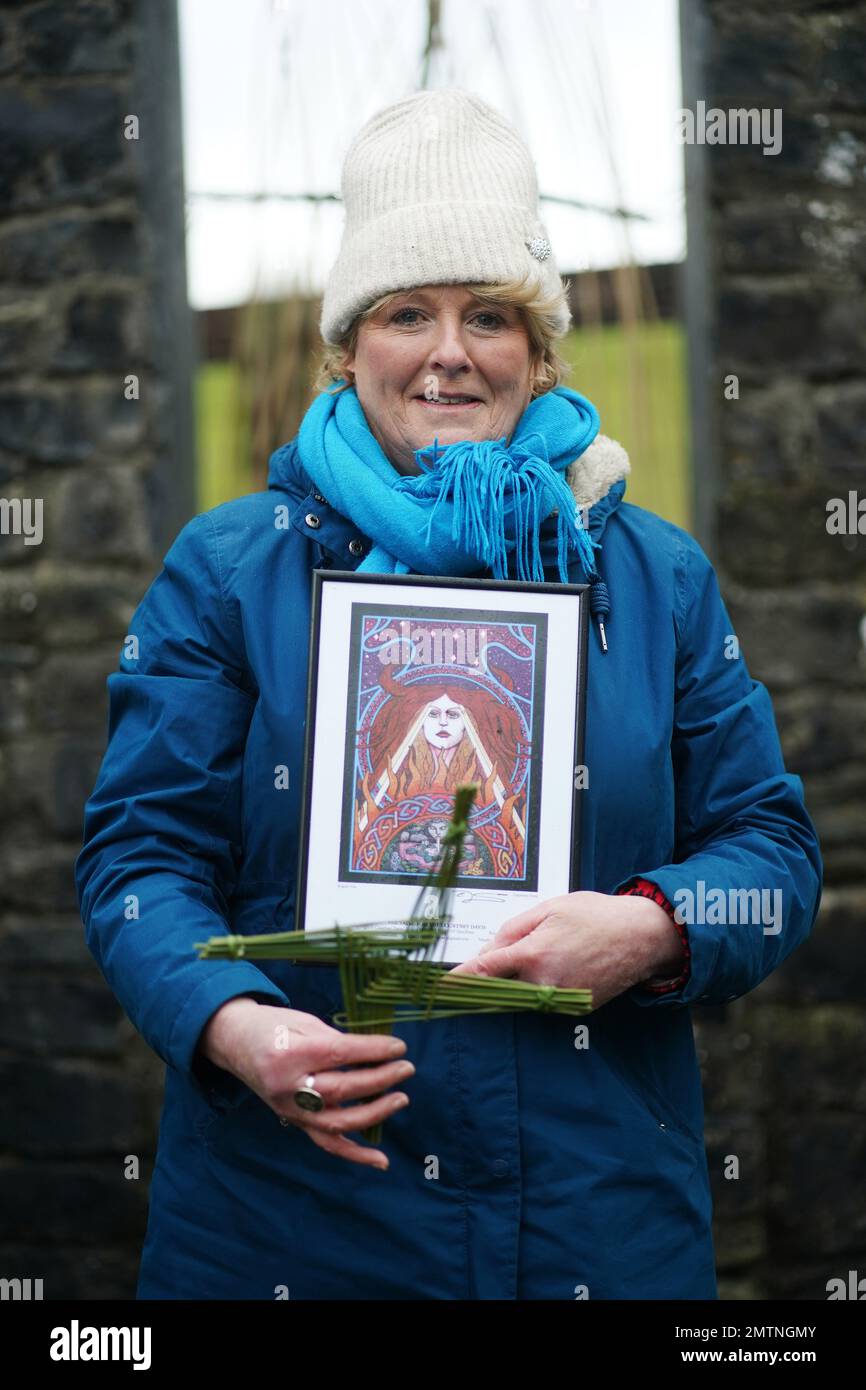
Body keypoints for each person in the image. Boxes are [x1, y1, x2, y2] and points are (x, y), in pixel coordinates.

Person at [75, 88, 822, 1300]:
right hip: (293, 1224)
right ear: (348, 344)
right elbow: (136, 862)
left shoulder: (651, 574)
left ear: (536, 350)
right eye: (405, 312)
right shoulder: (233, 568)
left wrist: (657, 925)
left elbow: (770, 850)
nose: (448, 351)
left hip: (592, 1228)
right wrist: (237, 1025)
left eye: (489, 314)